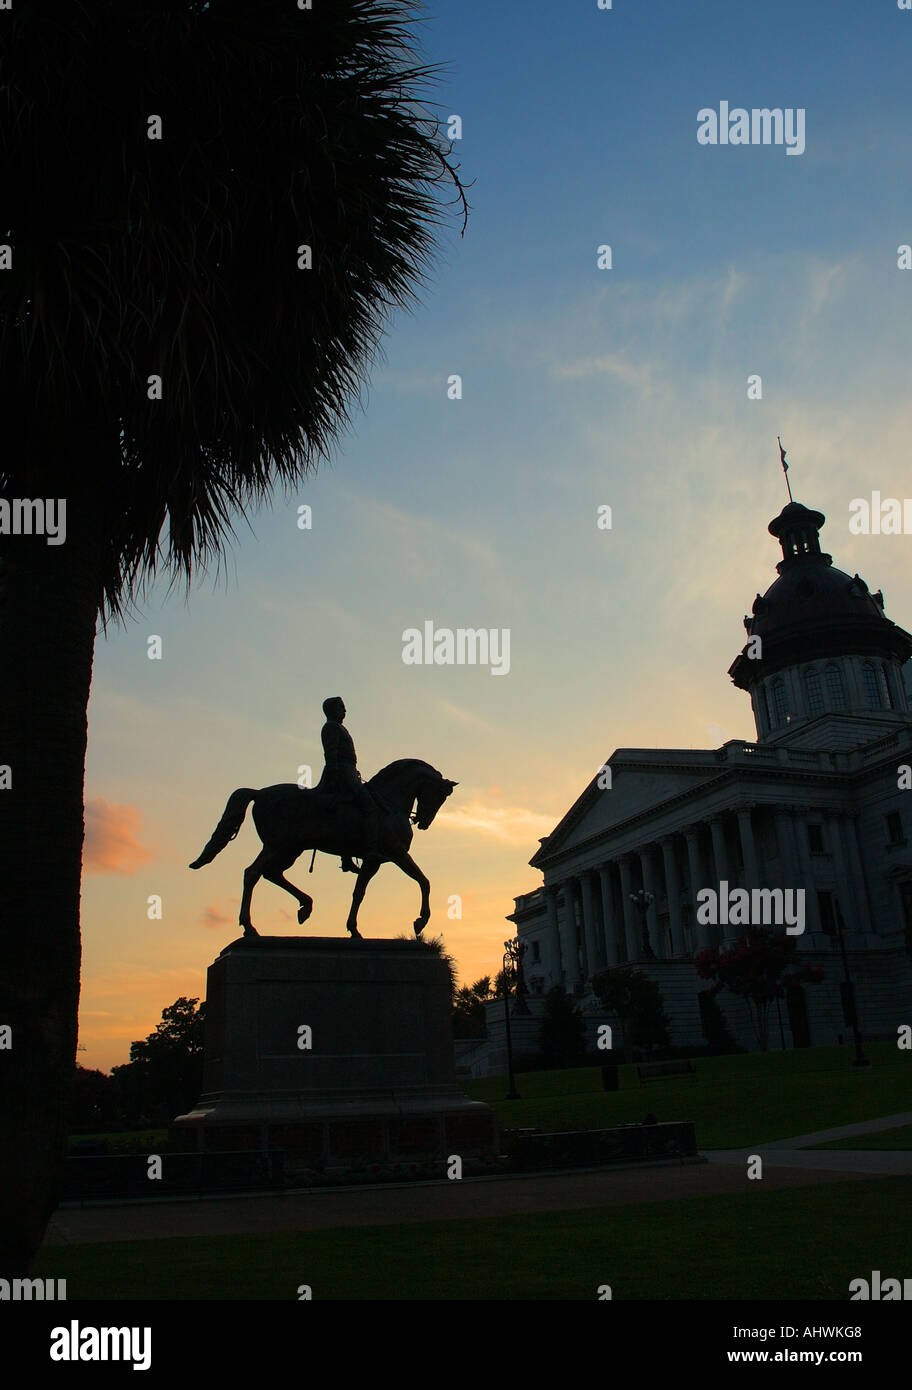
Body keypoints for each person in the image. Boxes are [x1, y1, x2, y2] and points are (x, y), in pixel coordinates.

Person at [318, 697, 379, 871]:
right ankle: (370, 850)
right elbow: (331, 754)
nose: (345, 711)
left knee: (353, 809)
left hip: (350, 772)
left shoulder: (338, 727)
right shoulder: (331, 727)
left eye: (344, 707)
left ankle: (347, 856)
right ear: (331, 710)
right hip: (343, 773)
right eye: (341, 707)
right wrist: (338, 775)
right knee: (369, 807)